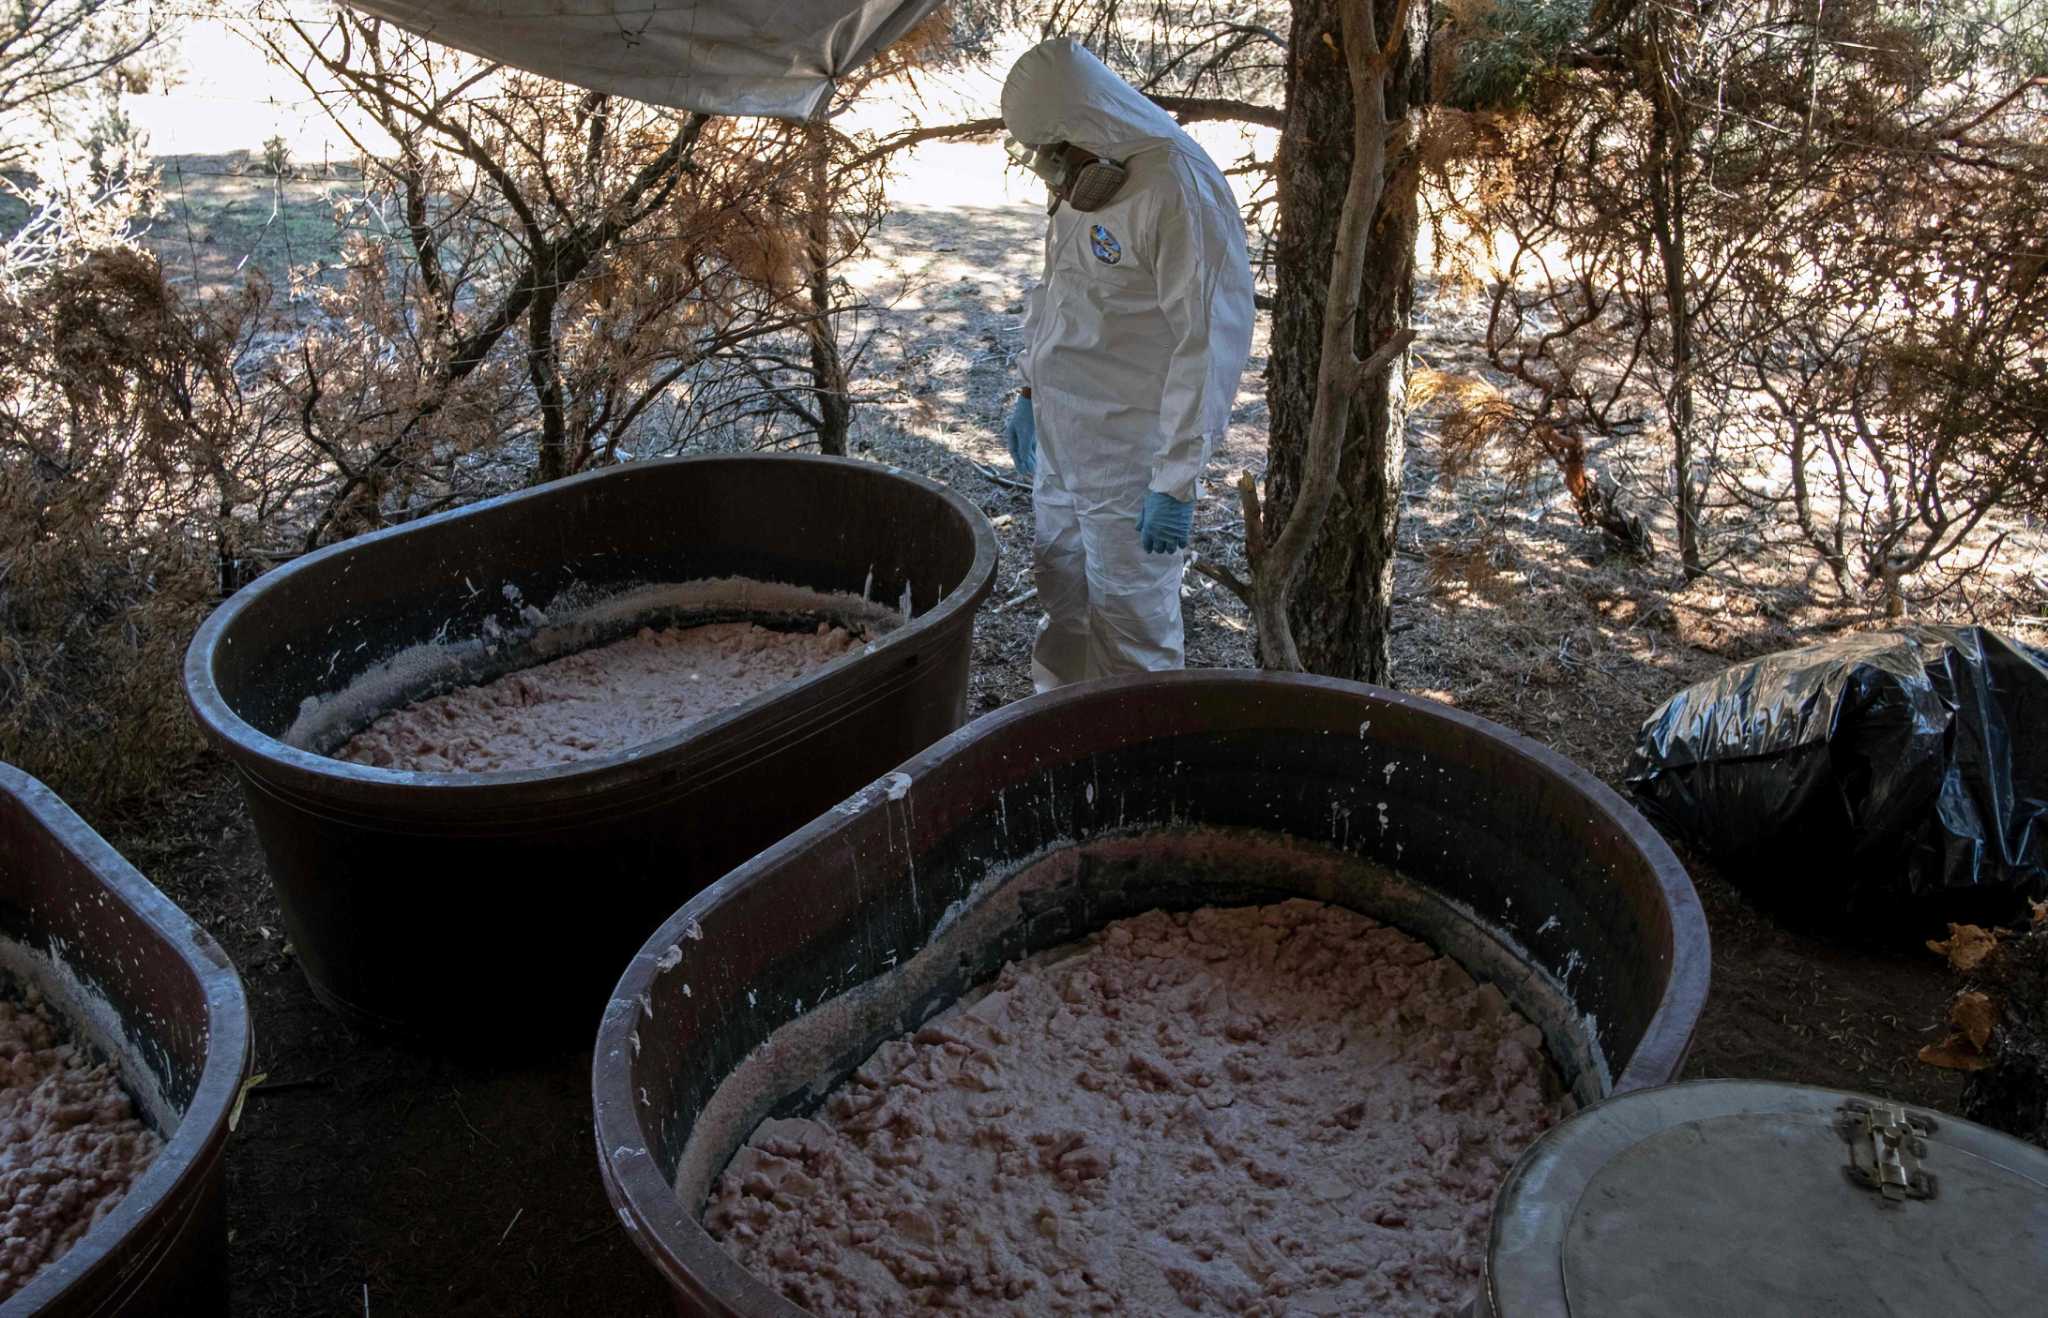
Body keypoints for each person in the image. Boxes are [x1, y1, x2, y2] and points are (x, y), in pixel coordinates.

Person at [999, 38, 1255, 692]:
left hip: (1129, 457)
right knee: (1064, 592)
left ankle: (1131, 770)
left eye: (1054, 155)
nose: (1049, 172)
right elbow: (1059, 290)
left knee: (1131, 623)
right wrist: (1031, 388)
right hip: (1065, 440)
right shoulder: (1085, 177)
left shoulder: (1178, 187)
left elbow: (1209, 344)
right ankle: (1061, 735)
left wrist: (1174, 480)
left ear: (1087, 125)